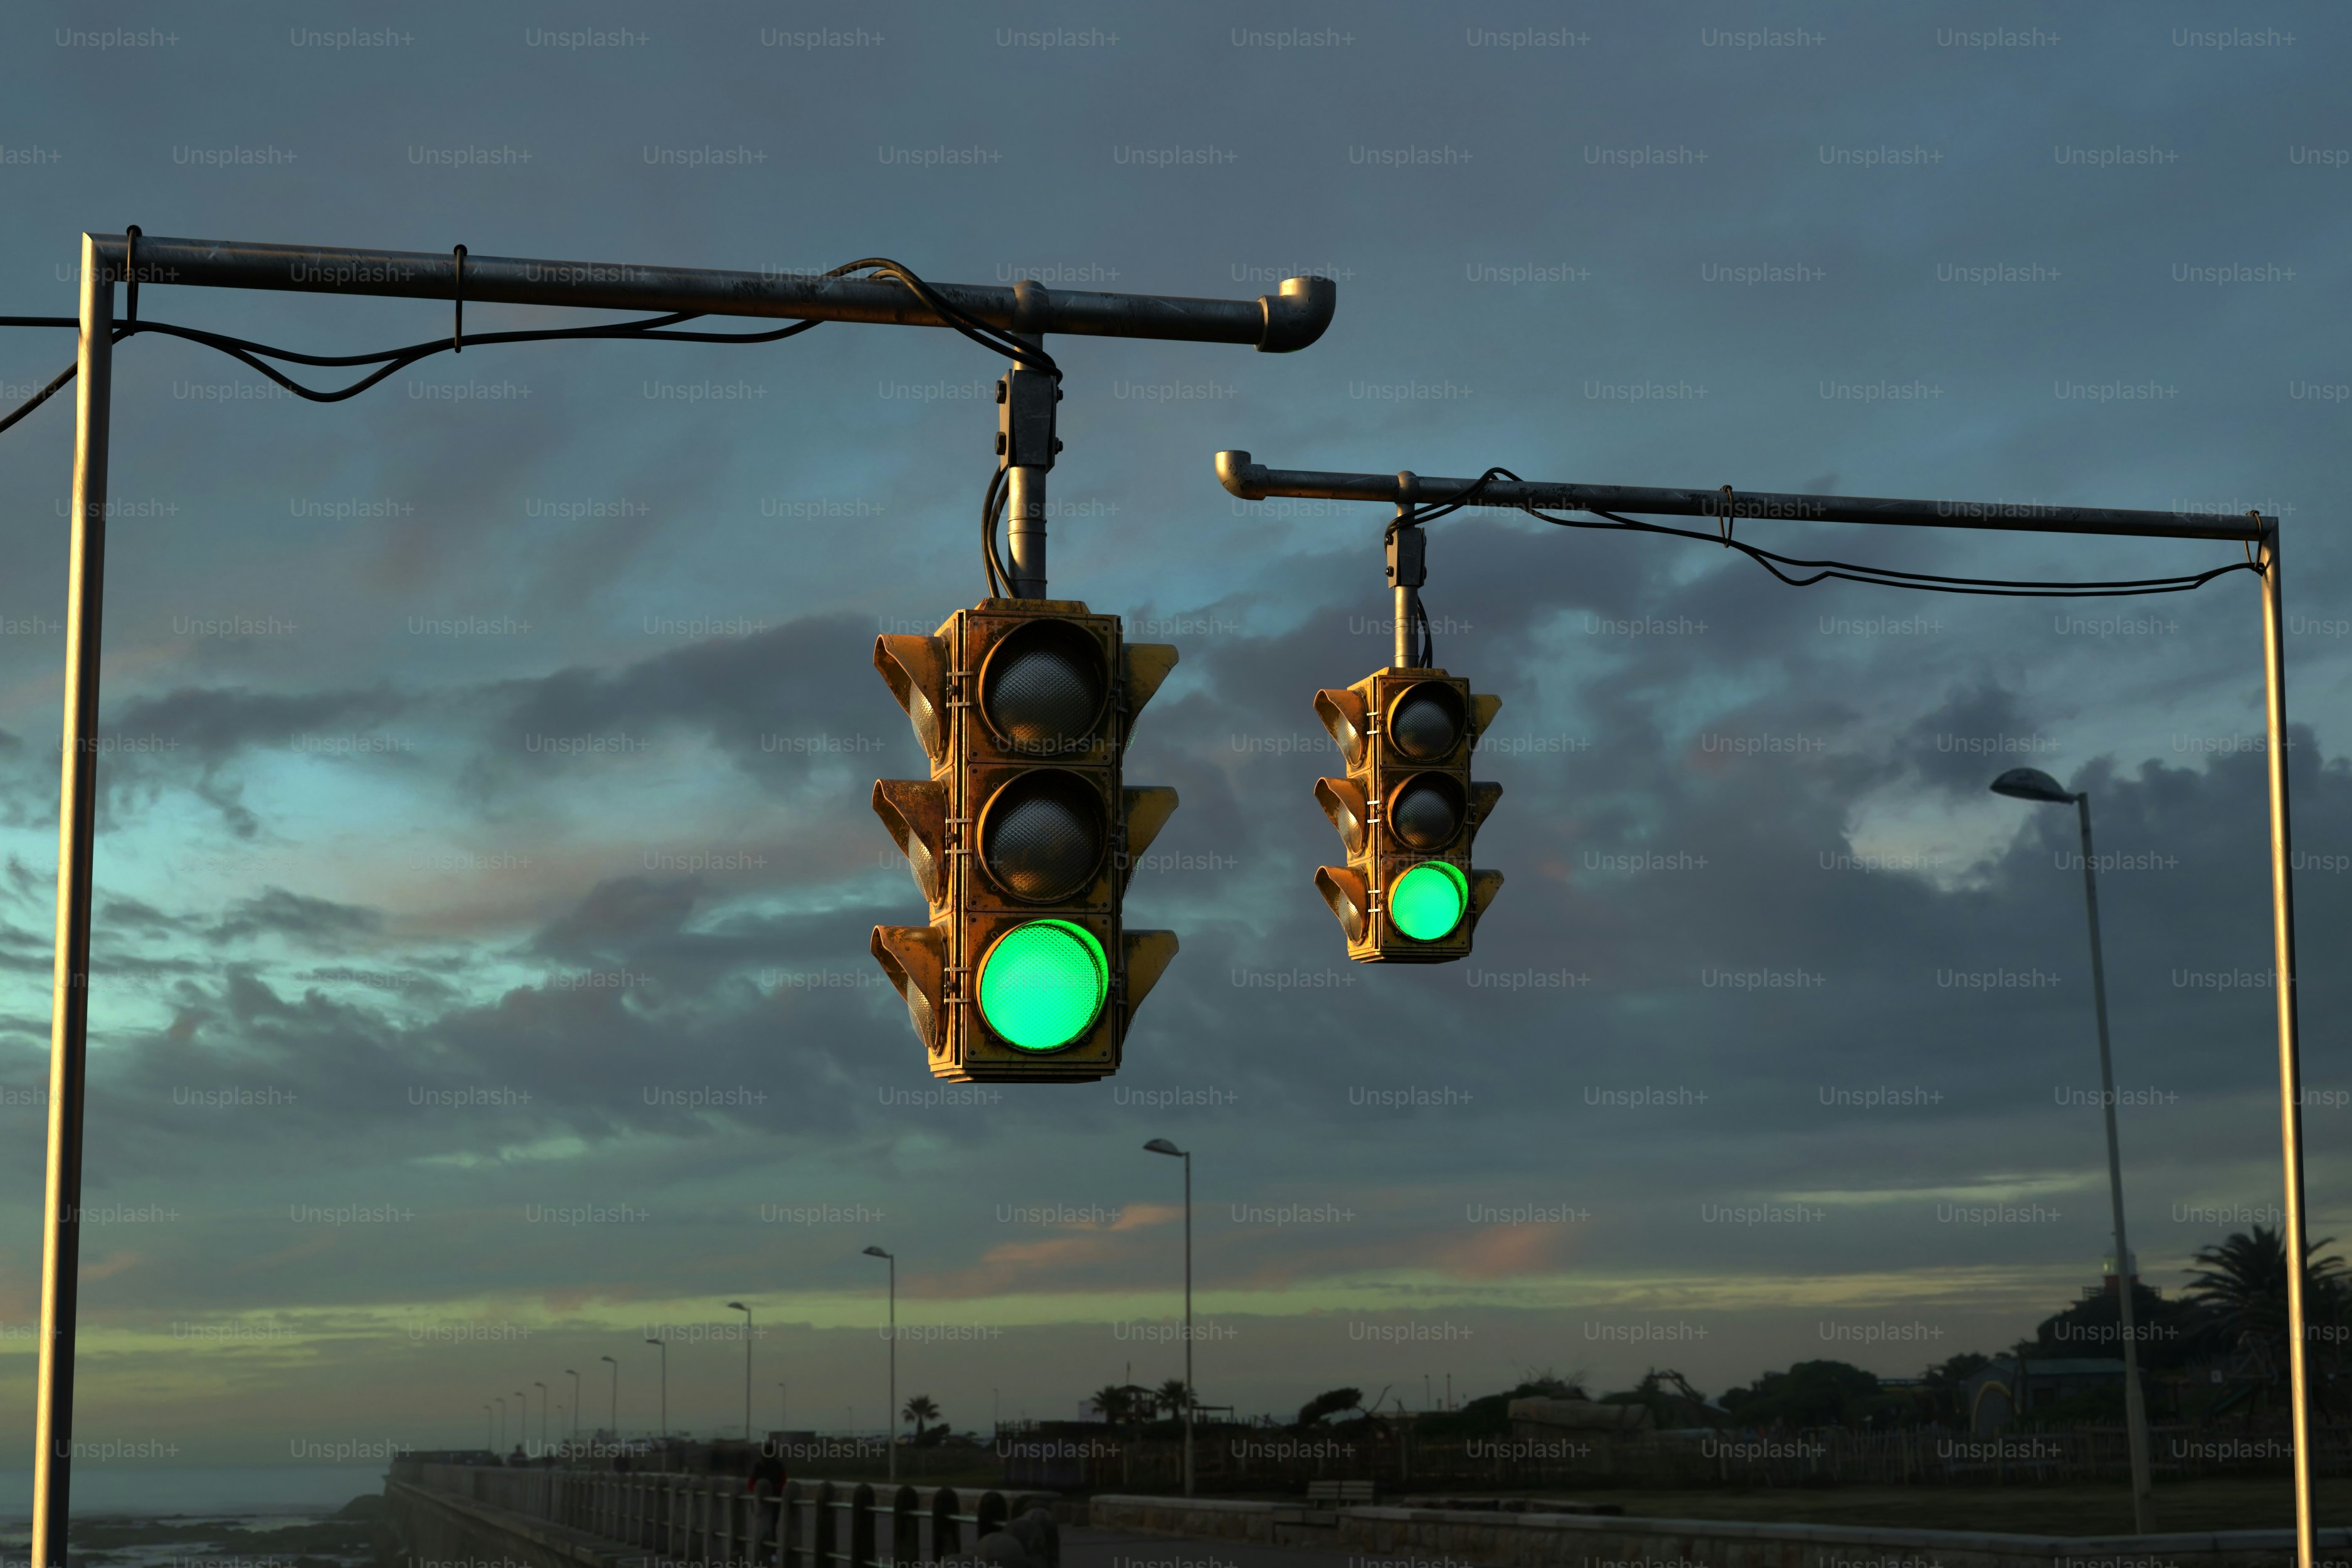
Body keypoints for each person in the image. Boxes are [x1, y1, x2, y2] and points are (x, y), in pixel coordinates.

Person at [747, 1450, 787, 1566]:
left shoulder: (759, 1466)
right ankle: (772, 1555)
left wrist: (757, 1491)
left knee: (761, 1528)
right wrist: (775, 1490)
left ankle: (762, 1555)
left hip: (761, 1502)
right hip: (775, 1501)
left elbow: (751, 1484)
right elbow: (783, 1483)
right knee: (772, 1528)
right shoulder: (779, 1467)